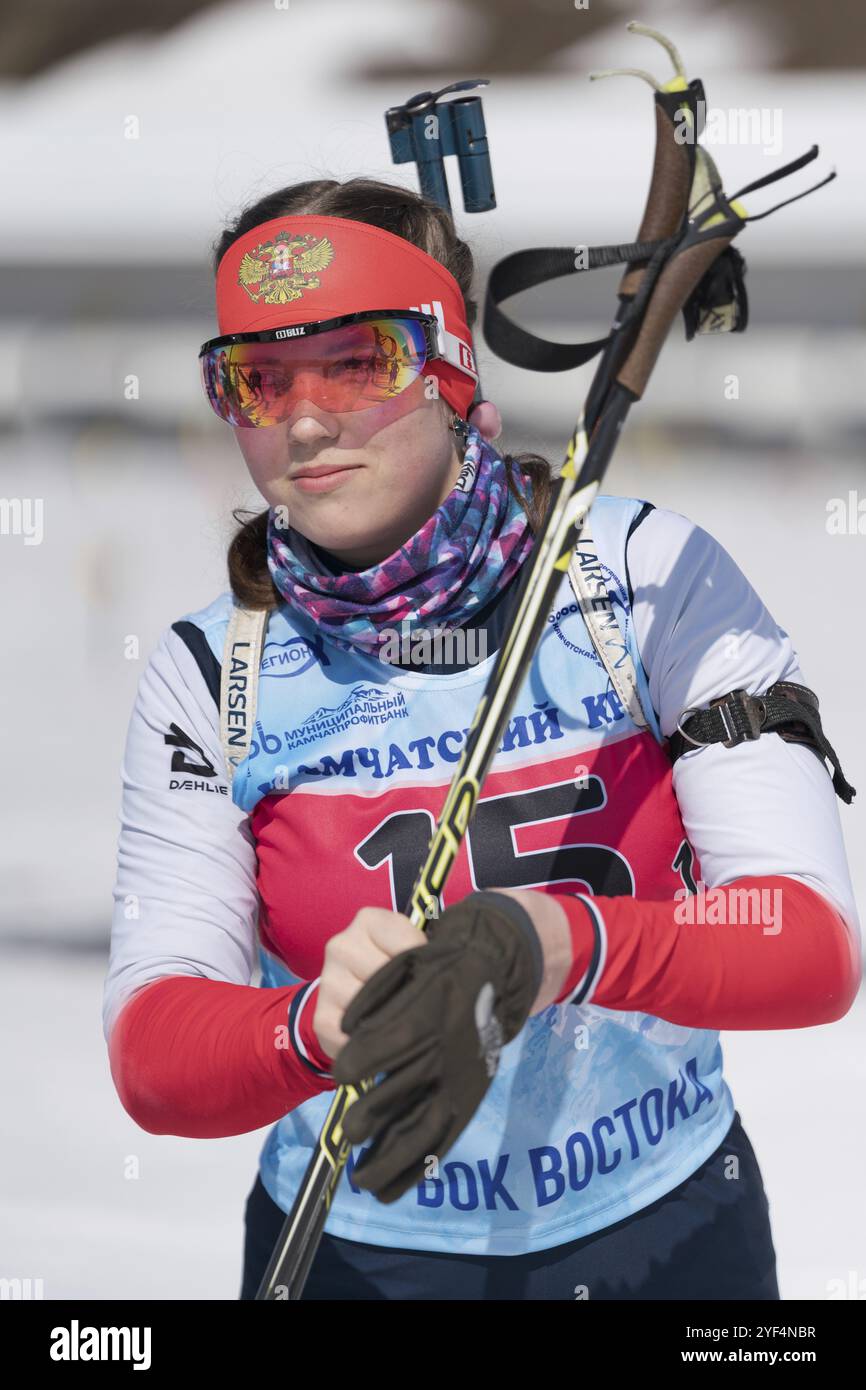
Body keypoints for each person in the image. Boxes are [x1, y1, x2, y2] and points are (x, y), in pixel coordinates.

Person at [102, 176, 861, 1302]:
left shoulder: (638, 580)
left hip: (665, 1232)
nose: (302, 420)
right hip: (360, 1251)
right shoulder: (215, 670)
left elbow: (804, 944)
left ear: (452, 366)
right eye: (257, 381)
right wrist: (312, 1025)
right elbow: (155, 1054)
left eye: (355, 363)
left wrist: (551, 941)